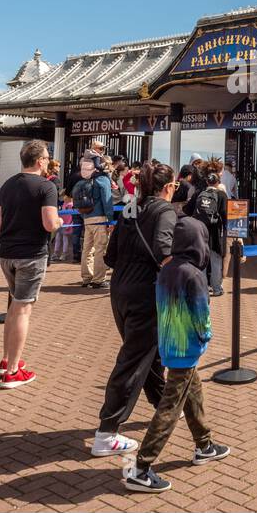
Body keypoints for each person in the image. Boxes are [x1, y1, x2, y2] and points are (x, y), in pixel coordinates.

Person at [121, 217, 230, 492]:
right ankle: (141, 467)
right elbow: (201, 315)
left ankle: (204, 444)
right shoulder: (193, 274)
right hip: (186, 346)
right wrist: (206, 336)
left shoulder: (168, 269)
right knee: (170, 406)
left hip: (169, 341)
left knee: (192, 391)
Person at [94, 160, 179, 457]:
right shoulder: (165, 210)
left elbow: (111, 254)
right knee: (133, 359)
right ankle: (107, 431)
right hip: (146, 292)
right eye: (176, 186)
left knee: (149, 352)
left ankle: (163, 404)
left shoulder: (130, 206)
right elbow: (163, 249)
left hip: (120, 289)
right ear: (168, 187)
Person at [0, 140, 60, 388]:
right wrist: (59, 222)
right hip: (31, 254)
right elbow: (49, 224)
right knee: (22, 309)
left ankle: (7, 359)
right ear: (40, 161)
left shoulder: (8, 185)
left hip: (7, 252)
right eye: (46, 157)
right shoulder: (46, 187)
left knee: (13, 307)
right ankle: (12, 371)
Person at [75, 154, 114, 288]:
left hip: (87, 218)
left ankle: (86, 277)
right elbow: (107, 201)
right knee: (100, 249)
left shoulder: (86, 180)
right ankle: (98, 279)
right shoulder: (102, 179)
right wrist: (110, 220)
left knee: (87, 249)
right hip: (100, 218)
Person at [189, 168, 228, 297]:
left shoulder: (199, 193)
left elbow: (187, 209)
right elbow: (225, 215)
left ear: (206, 181)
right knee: (216, 259)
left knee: (202, 259)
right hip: (215, 231)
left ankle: (203, 288)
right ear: (218, 182)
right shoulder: (222, 195)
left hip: (200, 231)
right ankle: (217, 288)